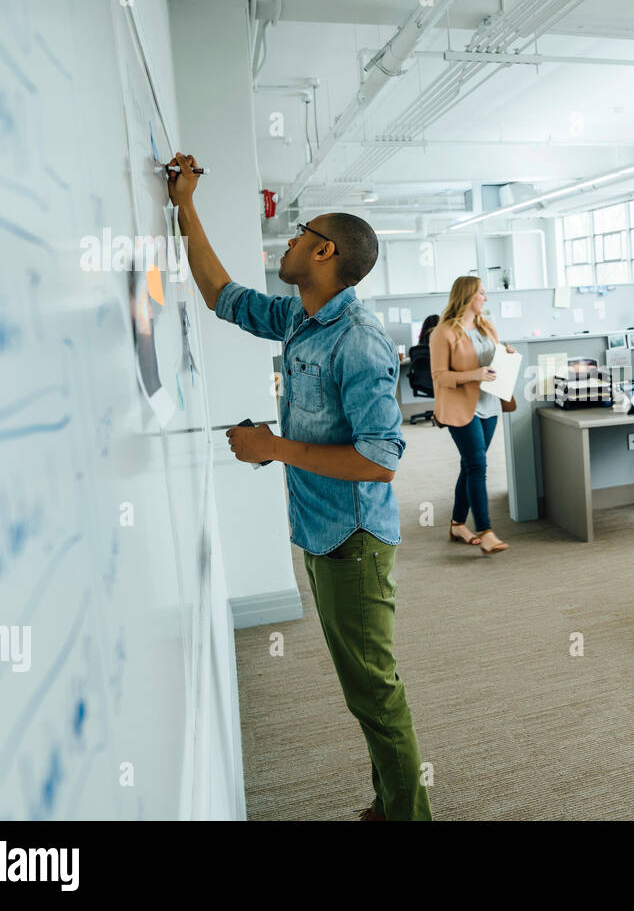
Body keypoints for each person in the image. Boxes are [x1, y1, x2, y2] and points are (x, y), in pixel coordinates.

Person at [166, 153, 431, 821]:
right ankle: (392, 799)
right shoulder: (300, 320)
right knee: (362, 688)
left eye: (297, 231)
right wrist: (185, 206)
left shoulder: (361, 343)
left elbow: (381, 459)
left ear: (323, 250)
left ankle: (409, 812)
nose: (284, 240)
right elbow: (222, 295)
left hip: (355, 541)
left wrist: (276, 448)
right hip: (321, 531)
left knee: (374, 690)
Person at [430, 276, 515, 554]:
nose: (485, 298)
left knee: (470, 465)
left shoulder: (486, 327)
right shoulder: (443, 332)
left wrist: (505, 355)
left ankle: (457, 524)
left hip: (489, 405)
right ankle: (486, 530)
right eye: (481, 293)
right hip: (461, 407)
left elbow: (491, 364)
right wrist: (473, 375)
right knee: (478, 466)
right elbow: (440, 376)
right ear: (467, 296)